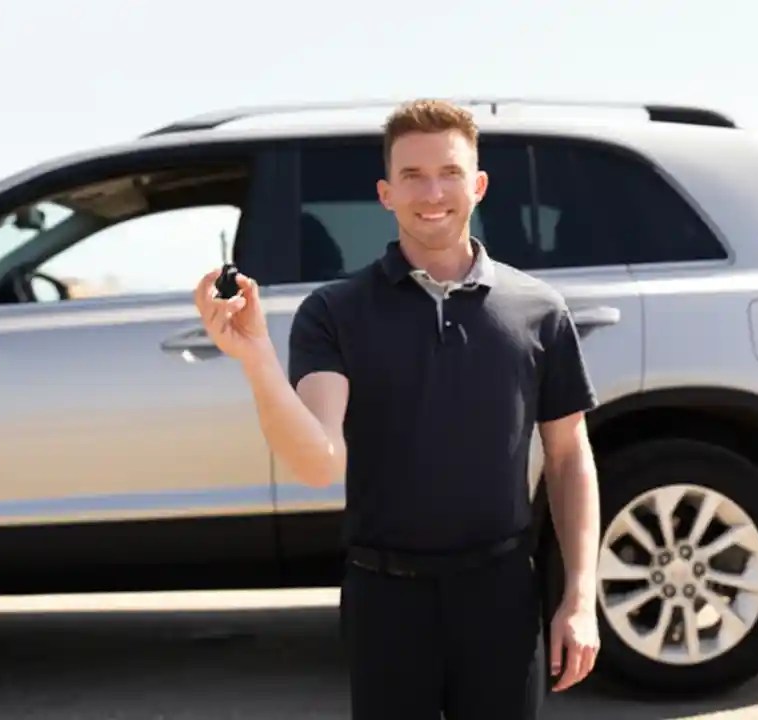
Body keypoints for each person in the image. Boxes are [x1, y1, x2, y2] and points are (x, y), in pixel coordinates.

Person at [192, 98, 602, 719]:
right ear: (385, 192)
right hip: (385, 599)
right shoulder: (334, 312)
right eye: (412, 176)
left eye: (450, 173)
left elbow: (570, 456)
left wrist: (578, 594)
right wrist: (256, 358)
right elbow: (318, 462)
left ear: (479, 185)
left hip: (502, 593)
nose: (431, 192)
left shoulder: (539, 310)